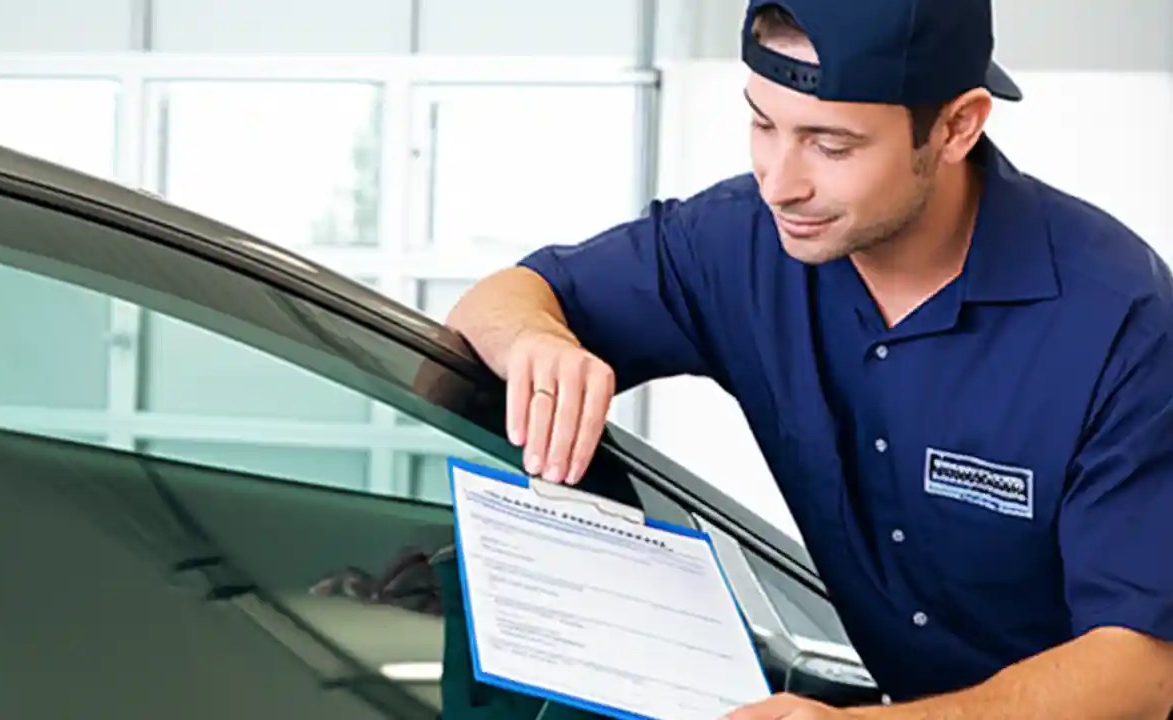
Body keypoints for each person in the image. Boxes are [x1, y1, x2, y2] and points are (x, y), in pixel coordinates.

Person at [444, 0, 1173, 717]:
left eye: (831, 145)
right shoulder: (739, 242)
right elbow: (498, 302)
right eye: (763, 125)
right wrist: (537, 341)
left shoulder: (1118, 318)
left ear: (956, 127)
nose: (779, 183)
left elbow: (1143, 674)